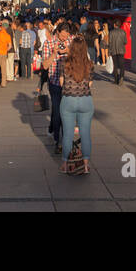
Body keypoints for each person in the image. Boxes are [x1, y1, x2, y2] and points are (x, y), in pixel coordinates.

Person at [59, 35, 95, 173]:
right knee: (85, 134)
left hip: (68, 99)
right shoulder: (90, 64)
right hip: (86, 100)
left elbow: (62, 82)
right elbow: (90, 83)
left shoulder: (65, 62)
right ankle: (85, 165)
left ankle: (65, 164)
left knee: (68, 134)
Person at [44, 23, 71, 153]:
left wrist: (68, 50)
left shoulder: (71, 41)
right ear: (58, 32)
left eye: (66, 36)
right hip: (54, 82)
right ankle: (58, 141)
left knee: (66, 113)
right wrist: (54, 53)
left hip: (70, 83)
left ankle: (64, 138)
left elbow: (79, 58)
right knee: (57, 112)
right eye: (62, 35)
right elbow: (44, 65)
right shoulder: (48, 43)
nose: (64, 38)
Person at [0, 21, 13, 87]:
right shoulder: (8, 35)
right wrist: (6, 50)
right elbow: (10, 46)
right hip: (4, 53)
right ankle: (3, 83)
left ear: (2, 27)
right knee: (4, 68)